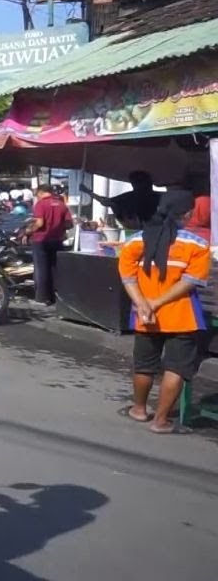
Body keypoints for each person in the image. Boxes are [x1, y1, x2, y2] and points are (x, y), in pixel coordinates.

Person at [118, 190, 210, 434]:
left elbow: (127, 277)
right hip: (182, 317)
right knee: (176, 368)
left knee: (144, 365)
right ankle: (161, 421)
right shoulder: (198, 245)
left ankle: (139, 409)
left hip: (145, 317)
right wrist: (157, 303)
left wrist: (143, 304)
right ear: (188, 213)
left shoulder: (135, 241)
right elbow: (190, 281)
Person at [27, 184, 74, 306]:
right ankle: (55, 297)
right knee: (55, 269)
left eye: (37, 194)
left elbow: (39, 223)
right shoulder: (62, 204)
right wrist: (58, 228)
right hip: (57, 240)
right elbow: (69, 224)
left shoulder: (40, 204)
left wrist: (27, 231)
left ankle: (42, 298)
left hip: (41, 240)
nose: (37, 197)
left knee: (41, 269)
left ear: (41, 192)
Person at [84, 171, 160, 230]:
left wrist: (88, 192)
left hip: (150, 230)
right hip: (142, 230)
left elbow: (106, 202)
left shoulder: (155, 195)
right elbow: (107, 202)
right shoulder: (131, 196)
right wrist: (88, 192)